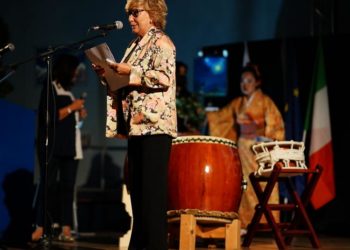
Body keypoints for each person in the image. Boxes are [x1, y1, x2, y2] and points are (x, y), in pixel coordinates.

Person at [93, 0, 176, 249]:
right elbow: (128, 80)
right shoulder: (134, 45)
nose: (130, 18)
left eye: (134, 13)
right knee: (138, 197)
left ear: (152, 14)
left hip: (155, 128)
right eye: (128, 13)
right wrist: (108, 75)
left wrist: (131, 71)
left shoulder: (162, 42)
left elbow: (165, 77)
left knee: (152, 198)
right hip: (137, 128)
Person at [206, 63, 285, 233]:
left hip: (259, 150)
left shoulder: (265, 102)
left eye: (249, 80)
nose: (245, 84)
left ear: (257, 83)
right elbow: (221, 118)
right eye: (242, 80)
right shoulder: (238, 103)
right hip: (242, 149)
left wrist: (266, 138)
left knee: (262, 186)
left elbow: (276, 126)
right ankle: (244, 223)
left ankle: (265, 223)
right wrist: (205, 114)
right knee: (243, 185)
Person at [32, 54, 86, 242]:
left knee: (67, 188)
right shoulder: (50, 88)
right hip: (53, 145)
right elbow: (51, 116)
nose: (75, 75)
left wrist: (79, 113)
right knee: (48, 185)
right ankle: (40, 225)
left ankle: (66, 228)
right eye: (73, 71)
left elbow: (70, 120)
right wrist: (73, 107)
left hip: (70, 147)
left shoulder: (69, 92)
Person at [176, 61, 206, 135]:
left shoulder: (190, 98)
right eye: (178, 73)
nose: (181, 77)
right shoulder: (166, 98)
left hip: (189, 136)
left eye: (183, 74)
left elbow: (202, 117)